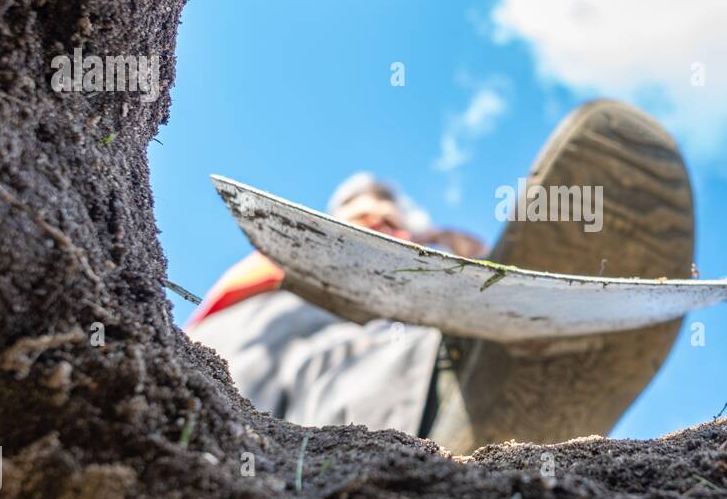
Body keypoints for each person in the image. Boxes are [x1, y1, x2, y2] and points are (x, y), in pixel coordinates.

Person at [187, 99, 695, 454]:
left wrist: (475, 262)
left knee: (377, 366)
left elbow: (455, 267)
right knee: (252, 385)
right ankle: (467, 383)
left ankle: (469, 387)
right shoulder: (268, 266)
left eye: (388, 214)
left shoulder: (420, 248)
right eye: (363, 212)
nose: (378, 218)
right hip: (260, 315)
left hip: (379, 328)